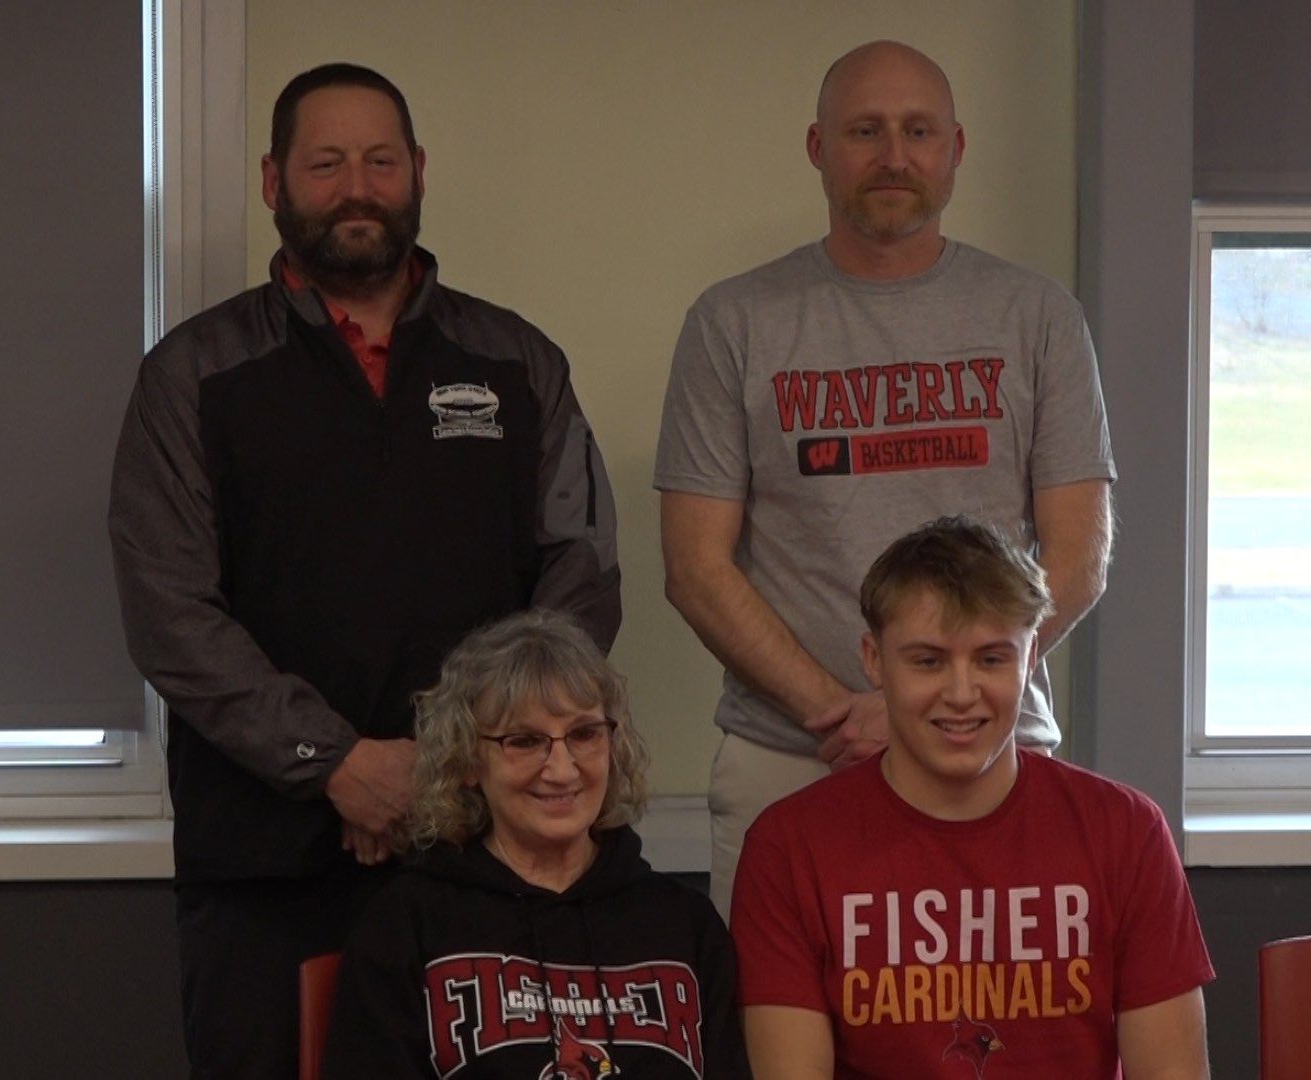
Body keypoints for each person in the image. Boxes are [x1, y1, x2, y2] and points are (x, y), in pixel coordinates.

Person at [108, 63, 619, 1079]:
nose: (357, 187)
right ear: (273, 181)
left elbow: (581, 577)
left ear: (418, 171)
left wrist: (449, 762)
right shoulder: (194, 377)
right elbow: (171, 612)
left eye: (381, 162)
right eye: (326, 163)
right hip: (265, 871)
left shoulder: (516, 364)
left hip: (484, 850)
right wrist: (334, 761)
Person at [654, 40, 1115, 920]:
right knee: (779, 1006)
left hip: (994, 753)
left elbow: (1078, 556)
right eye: (865, 131)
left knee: (1000, 1004)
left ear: (956, 149)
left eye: (919, 131)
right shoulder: (733, 322)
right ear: (818, 147)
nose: (894, 155)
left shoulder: (1038, 317)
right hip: (792, 755)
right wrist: (845, 714)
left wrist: (930, 703)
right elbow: (696, 568)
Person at [730, 517, 1212, 1078]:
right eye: (928, 661)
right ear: (874, 659)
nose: (961, 694)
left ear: (1030, 658)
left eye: (991, 659)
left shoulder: (1126, 832)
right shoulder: (788, 848)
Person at [321, 610, 749, 1079]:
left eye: (584, 734)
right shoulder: (407, 924)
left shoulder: (686, 926)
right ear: (468, 761)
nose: (562, 770)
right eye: (524, 741)